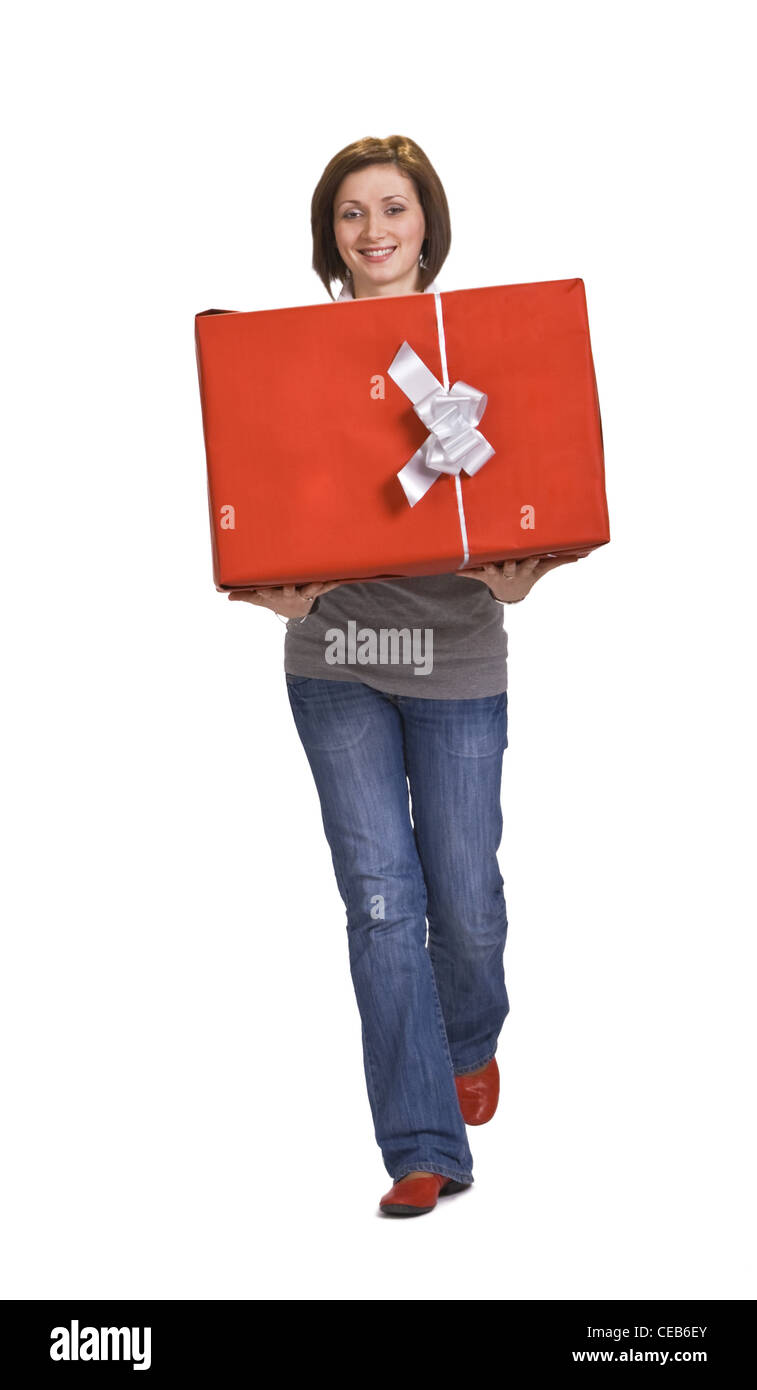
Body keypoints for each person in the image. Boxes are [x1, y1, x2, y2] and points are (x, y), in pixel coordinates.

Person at [229, 135, 586, 1216]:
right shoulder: (287, 359)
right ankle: (421, 1143)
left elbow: (530, 486)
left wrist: (524, 576)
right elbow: (265, 495)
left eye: (392, 207)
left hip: (456, 654)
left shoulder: (491, 350)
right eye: (349, 213)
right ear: (327, 236)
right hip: (336, 654)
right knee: (383, 901)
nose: (373, 230)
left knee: (464, 898)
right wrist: (272, 585)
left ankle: (466, 1033)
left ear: (426, 220)